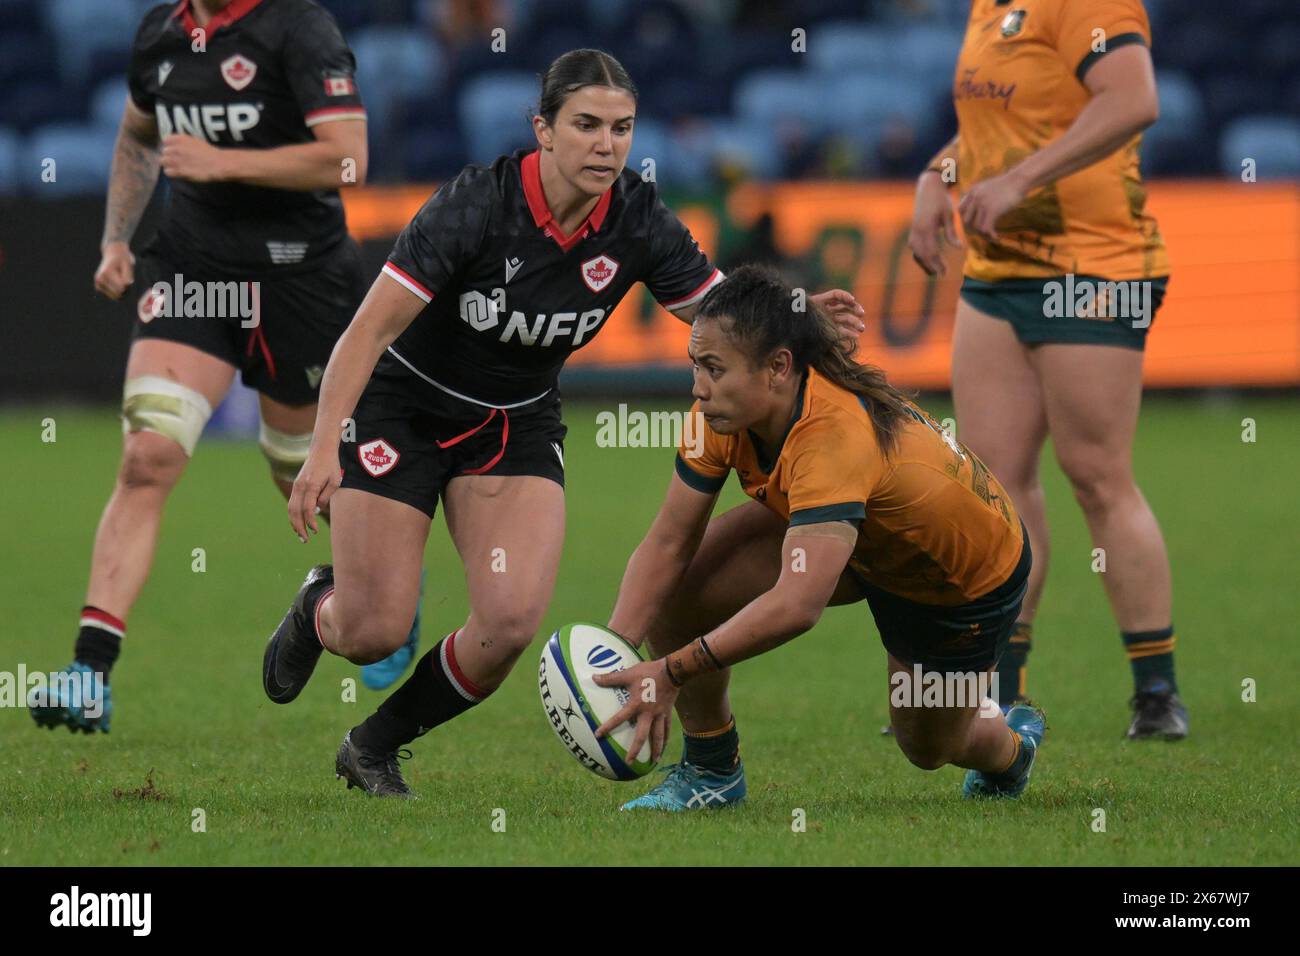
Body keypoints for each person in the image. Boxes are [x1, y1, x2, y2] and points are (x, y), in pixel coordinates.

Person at [258, 50, 868, 797]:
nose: (606, 144)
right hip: (403, 408)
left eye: (621, 128)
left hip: (514, 423)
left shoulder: (637, 219)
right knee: (372, 630)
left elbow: (724, 314)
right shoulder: (475, 205)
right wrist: (323, 450)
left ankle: (373, 746)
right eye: (585, 125)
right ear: (542, 129)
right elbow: (366, 333)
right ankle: (320, 609)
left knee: (510, 624)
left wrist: (801, 315)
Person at [26, 0, 424, 735]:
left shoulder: (300, 28)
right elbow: (138, 135)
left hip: (299, 279)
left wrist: (223, 162)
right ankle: (90, 669)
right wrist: (116, 239)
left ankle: (385, 580)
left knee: (300, 477)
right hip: (191, 271)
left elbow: (348, 157)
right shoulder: (161, 31)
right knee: (147, 456)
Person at [592, 265, 1043, 809]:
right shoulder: (719, 414)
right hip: (847, 536)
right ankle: (712, 771)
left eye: (713, 368)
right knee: (682, 584)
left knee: (932, 748)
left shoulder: (832, 436)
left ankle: (1012, 748)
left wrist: (668, 671)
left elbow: (796, 604)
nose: (698, 387)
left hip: (955, 581)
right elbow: (668, 544)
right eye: (695, 365)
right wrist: (606, 663)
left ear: (778, 368)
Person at [908, 0, 1185, 739]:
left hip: (1094, 266)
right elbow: (994, 129)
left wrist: (1020, 182)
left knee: (1095, 472)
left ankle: (1156, 692)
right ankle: (999, 691)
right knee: (993, 481)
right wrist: (938, 174)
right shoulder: (988, 8)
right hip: (1001, 266)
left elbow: (1134, 99)